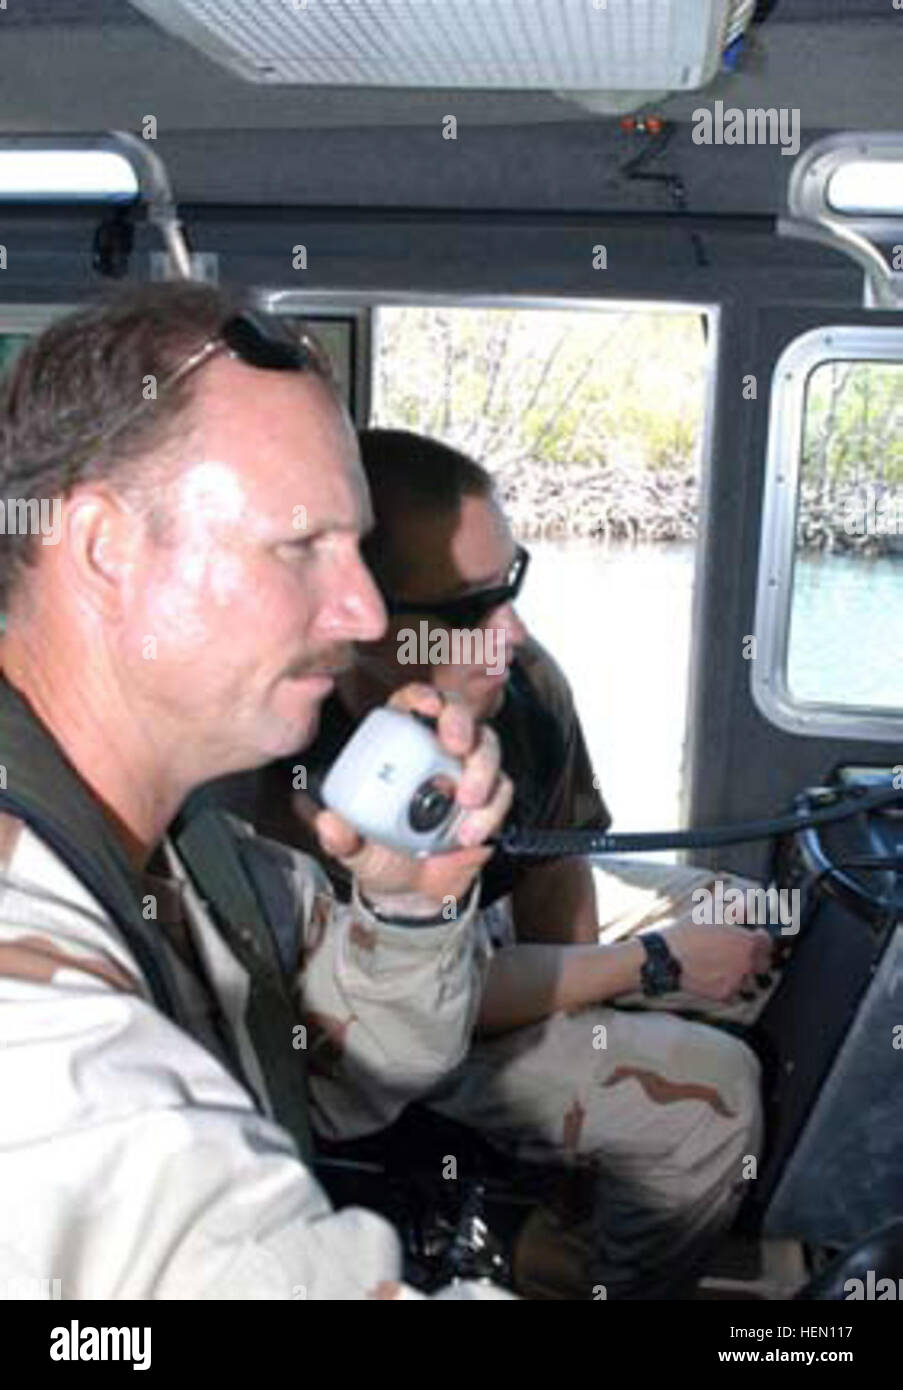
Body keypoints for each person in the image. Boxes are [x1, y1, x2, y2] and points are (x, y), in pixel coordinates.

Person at [0, 288, 516, 1301]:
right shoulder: (32, 1003)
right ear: (106, 547)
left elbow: (349, 1077)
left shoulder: (196, 849)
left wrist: (408, 905)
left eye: (357, 547)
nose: (365, 610)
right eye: (302, 546)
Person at [242, 428, 775, 1299]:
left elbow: (556, 866)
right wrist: (656, 962)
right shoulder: (294, 780)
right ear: (358, 617)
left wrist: (594, 1006)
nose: (512, 630)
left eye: (511, 585)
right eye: (467, 609)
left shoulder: (523, 682)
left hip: (482, 934)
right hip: (371, 1029)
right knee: (714, 1093)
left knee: (749, 923)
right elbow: (410, 1009)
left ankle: (579, 1206)